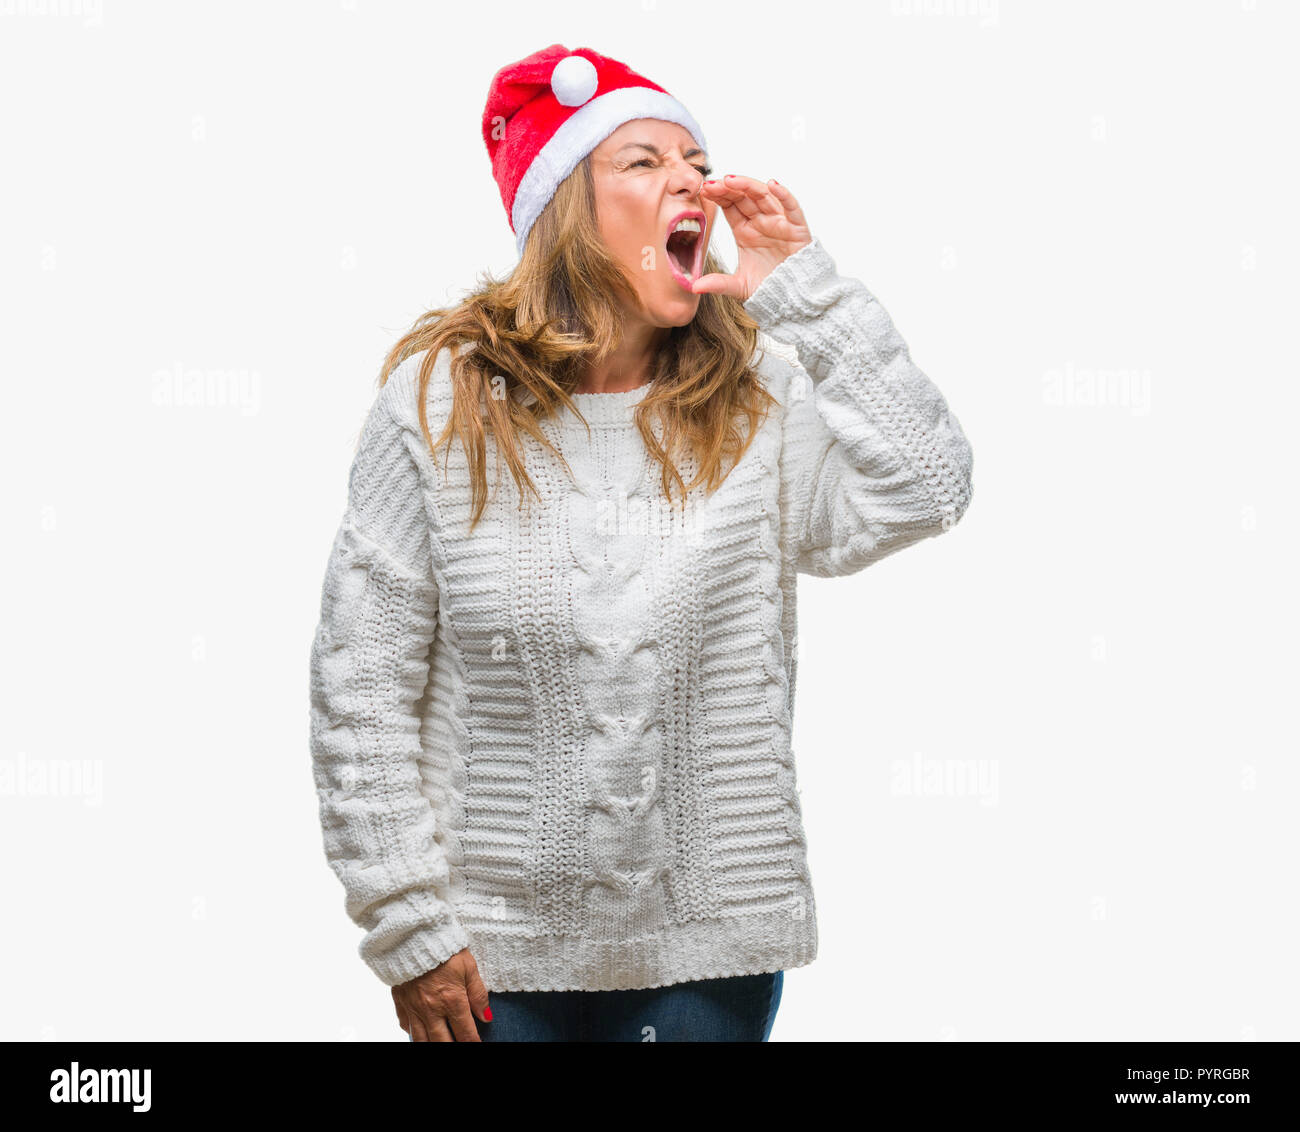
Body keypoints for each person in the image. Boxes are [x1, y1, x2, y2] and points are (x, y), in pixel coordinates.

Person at [308, 44, 974, 1042]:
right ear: (566, 207)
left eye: (697, 162)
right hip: (492, 959)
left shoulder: (756, 402)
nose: (692, 182)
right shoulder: (438, 404)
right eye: (645, 160)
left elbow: (927, 485)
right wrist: (405, 923)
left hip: (708, 959)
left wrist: (807, 292)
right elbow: (361, 677)